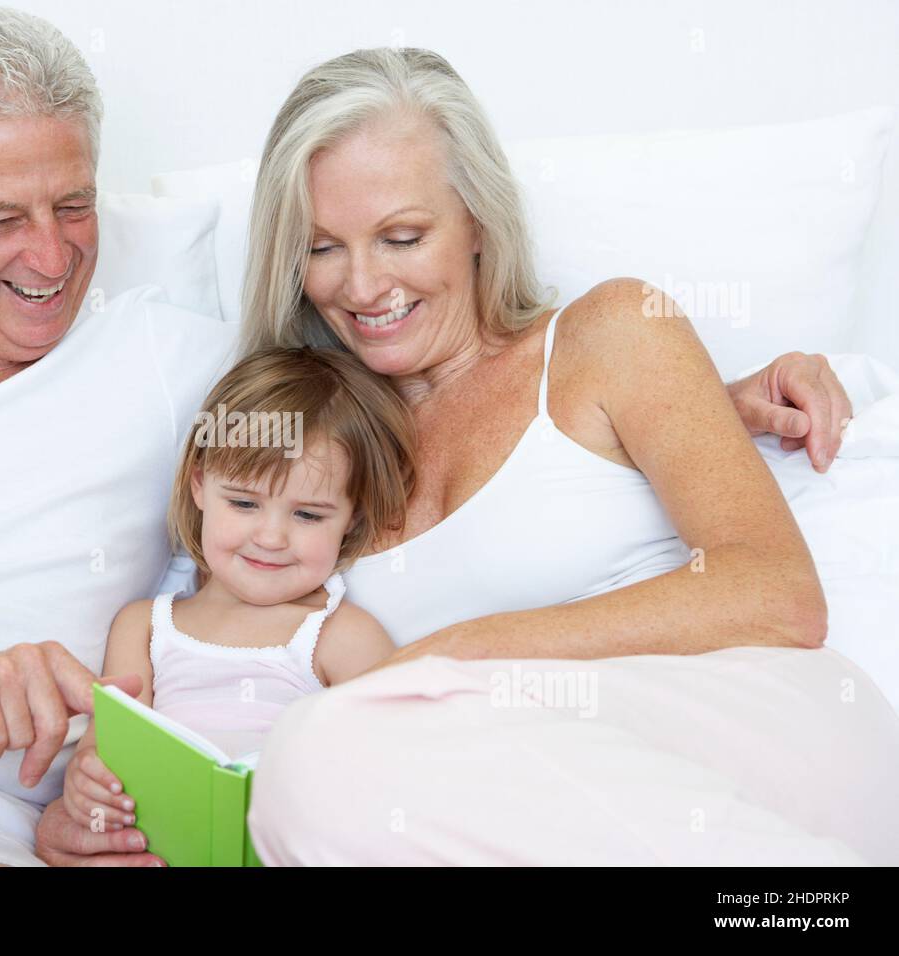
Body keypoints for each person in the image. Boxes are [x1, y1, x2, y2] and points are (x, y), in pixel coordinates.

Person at [0, 10, 863, 867]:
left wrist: (728, 389)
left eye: (74, 205)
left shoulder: (582, 336)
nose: (50, 259)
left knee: (331, 756)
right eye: (323, 245)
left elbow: (754, 576)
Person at [222, 47, 899, 865]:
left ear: (476, 220)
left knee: (323, 757)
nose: (363, 286)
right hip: (504, 798)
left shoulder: (608, 335)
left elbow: (780, 597)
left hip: (750, 729)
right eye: (323, 247)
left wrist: (453, 655)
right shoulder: (304, 450)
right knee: (316, 770)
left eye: (401, 236)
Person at [60, 347, 413, 833]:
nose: (270, 537)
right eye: (244, 503)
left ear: (352, 516)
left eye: (308, 514)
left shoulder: (342, 636)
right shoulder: (142, 627)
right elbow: (105, 747)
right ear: (200, 485)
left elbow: (398, 764)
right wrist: (87, 782)